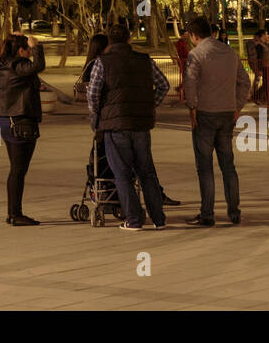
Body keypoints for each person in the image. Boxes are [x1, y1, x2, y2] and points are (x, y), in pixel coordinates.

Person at [86, 23, 169, 231]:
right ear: (129, 39)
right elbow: (163, 85)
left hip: (116, 126)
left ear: (110, 41)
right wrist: (150, 105)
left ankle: (134, 220)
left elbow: (93, 94)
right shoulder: (144, 60)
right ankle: (159, 219)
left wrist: (99, 114)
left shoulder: (102, 62)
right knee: (146, 172)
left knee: (122, 173)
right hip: (141, 125)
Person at [182, 17, 251, 226]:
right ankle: (234, 211)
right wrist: (237, 106)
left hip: (205, 114)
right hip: (227, 113)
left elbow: (190, 83)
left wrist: (192, 107)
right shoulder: (229, 52)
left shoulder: (196, 55)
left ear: (194, 35)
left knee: (205, 166)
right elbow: (244, 81)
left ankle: (207, 213)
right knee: (227, 164)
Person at [0, 34, 45, 225]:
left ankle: (13, 213)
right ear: (20, 51)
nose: (30, 52)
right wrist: (38, 46)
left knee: (16, 169)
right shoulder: (18, 66)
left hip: (7, 120)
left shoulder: (2, 64)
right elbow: (38, 66)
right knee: (18, 170)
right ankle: (15, 214)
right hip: (21, 122)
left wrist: (13, 36)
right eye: (28, 49)